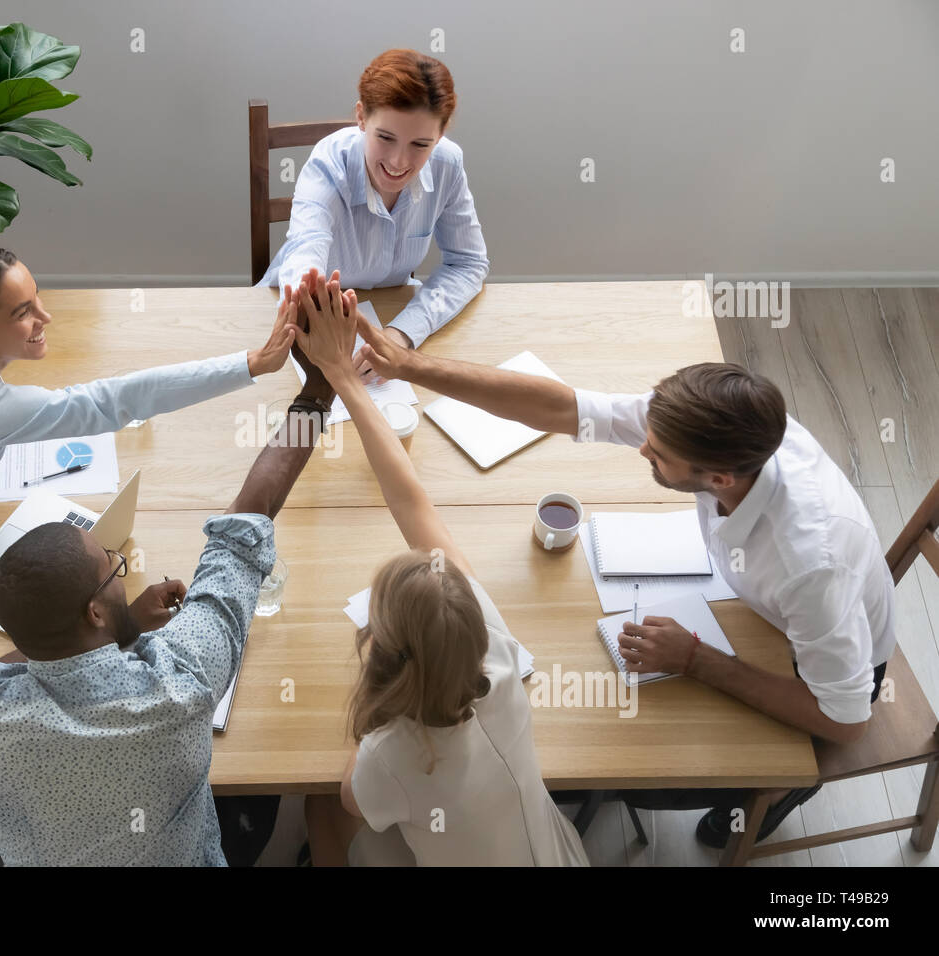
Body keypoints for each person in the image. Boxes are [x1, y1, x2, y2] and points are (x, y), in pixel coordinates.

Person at [353, 327, 897, 849]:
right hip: (778, 610)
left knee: (633, 779)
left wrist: (697, 660)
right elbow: (565, 409)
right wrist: (411, 367)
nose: (642, 449)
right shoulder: (729, 434)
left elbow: (846, 721)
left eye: (658, 453)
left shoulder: (810, 565)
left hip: (827, 675)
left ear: (720, 479)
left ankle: (783, 787)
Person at [0, 279, 347, 866]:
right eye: (114, 570)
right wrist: (319, 388)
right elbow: (249, 517)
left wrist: (123, 626)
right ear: (96, 610)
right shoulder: (179, 682)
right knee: (267, 777)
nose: (122, 572)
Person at [0, 242, 297, 632]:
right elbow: (111, 402)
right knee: (60, 633)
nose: (46, 317)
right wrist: (252, 363)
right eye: (23, 312)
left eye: (37, 298)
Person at [293, 271, 588, 866]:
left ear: (383, 654)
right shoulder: (499, 660)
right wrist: (345, 376)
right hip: (558, 856)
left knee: (318, 806)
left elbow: (352, 795)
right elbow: (413, 502)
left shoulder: (390, 758)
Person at [259, 49, 489, 382]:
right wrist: (307, 320)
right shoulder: (328, 164)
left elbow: (468, 264)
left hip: (390, 309)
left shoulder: (448, 164)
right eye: (385, 137)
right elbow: (306, 253)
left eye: (420, 144)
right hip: (297, 315)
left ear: (440, 136)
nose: (398, 162)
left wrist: (403, 333)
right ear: (362, 118)